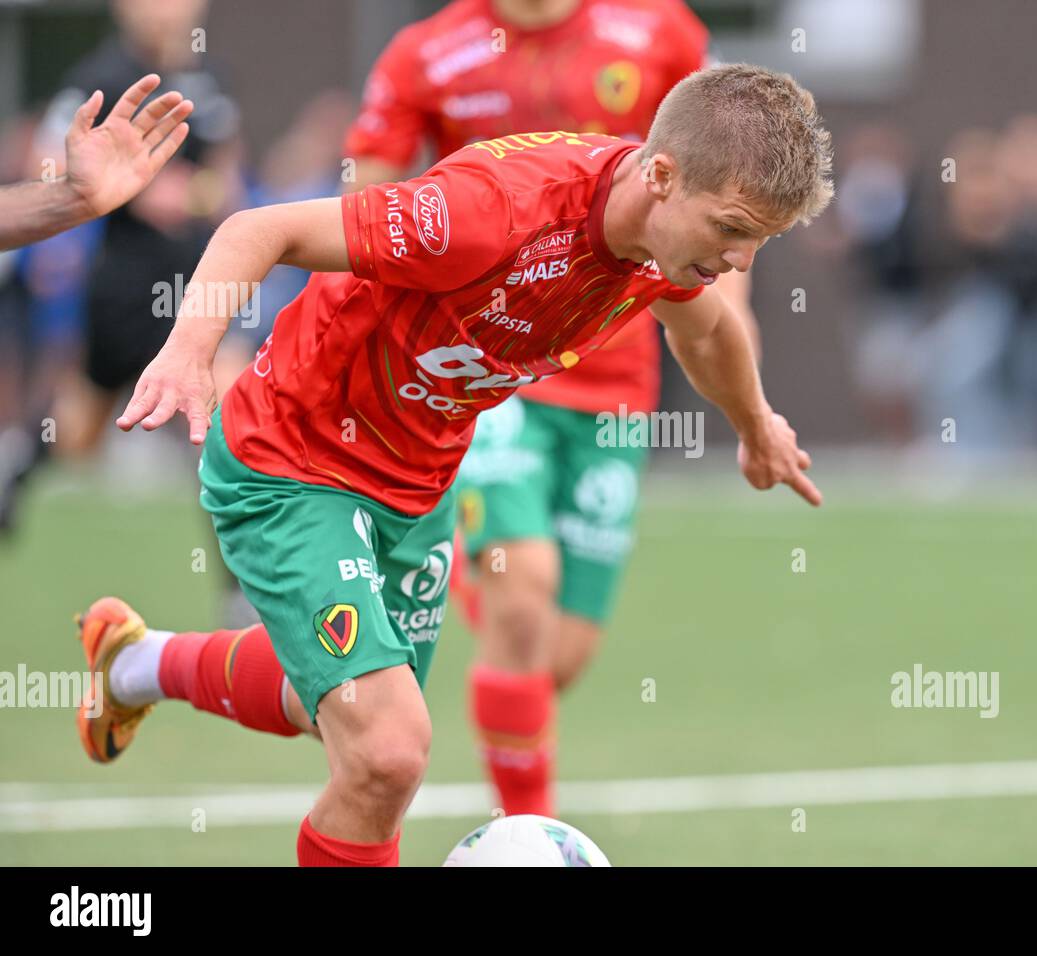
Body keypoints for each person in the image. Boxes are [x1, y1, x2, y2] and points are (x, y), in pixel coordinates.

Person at [76, 64, 833, 867]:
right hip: (293, 454)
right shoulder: (490, 211)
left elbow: (709, 334)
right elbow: (258, 232)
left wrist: (757, 427)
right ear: (661, 176)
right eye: (732, 229)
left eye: (760, 241)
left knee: (322, 698)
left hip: (418, 480)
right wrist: (189, 354)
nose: (743, 259)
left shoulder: (662, 240)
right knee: (386, 754)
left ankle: (136, 660)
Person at [343, 0, 759, 817]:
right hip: (489, 360)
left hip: (616, 368)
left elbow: (728, 187)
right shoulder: (424, 54)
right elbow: (367, 201)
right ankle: (530, 833)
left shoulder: (661, 30)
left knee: (555, 655)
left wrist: (734, 328)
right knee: (524, 594)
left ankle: (459, 562)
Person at [0, 73, 191, 252]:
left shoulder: (196, 71)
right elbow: (42, 163)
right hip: (110, 249)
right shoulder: (98, 74)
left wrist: (72, 196)